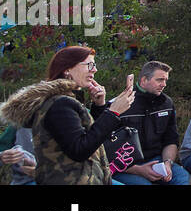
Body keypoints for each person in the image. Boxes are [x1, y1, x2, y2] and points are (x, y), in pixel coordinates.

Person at [0, 46, 133, 185]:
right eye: (89, 65)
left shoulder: (64, 101)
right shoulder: (59, 104)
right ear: (67, 69)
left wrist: (99, 107)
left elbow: (90, 139)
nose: (95, 69)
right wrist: (113, 113)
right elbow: (79, 150)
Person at [114, 60, 189, 185]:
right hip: (127, 165)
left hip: (157, 160)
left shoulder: (167, 103)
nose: (164, 84)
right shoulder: (122, 104)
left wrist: (168, 163)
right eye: (159, 80)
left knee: (182, 177)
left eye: (166, 80)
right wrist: (138, 170)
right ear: (144, 81)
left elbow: (171, 140)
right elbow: (108, 150)